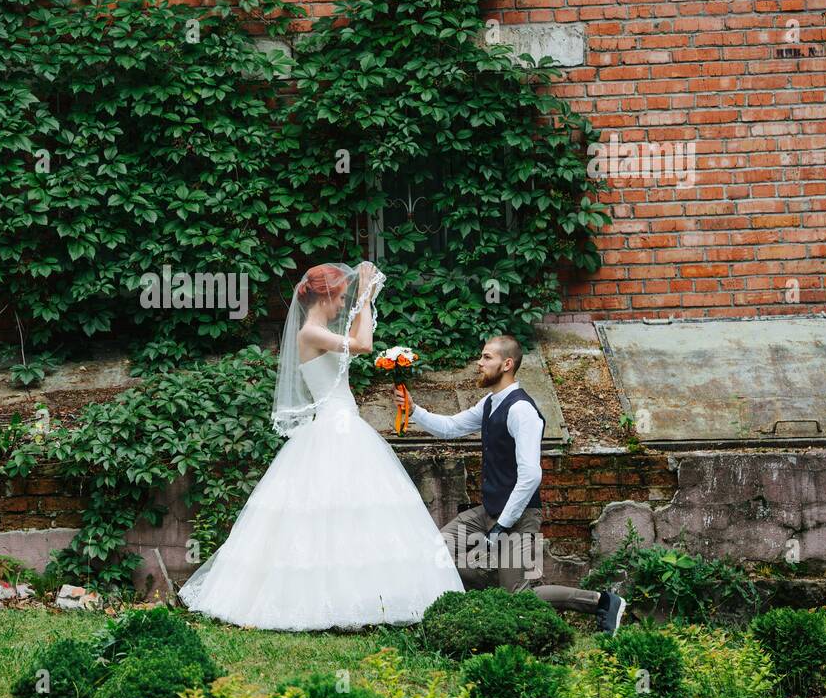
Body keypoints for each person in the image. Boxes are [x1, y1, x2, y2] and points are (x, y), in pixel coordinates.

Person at [177, 261, 464, 631]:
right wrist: (365, 296)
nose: (342, 304)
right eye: (340, 298)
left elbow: (357, 342)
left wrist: (363, 300)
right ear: (326, 295)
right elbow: (363, 344)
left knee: (356, 514)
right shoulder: (310, 332)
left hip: (345, 425)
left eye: (347, 298)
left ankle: (366, 596)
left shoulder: (322, 331)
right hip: (334, 427)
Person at [396, 336, 627, 634]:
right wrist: (414, 410)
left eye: (486, 357)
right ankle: (495, 581)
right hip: (486, 512)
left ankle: (602, 602)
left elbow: (531, 476)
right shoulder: (491, 403)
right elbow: (452, 427)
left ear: (507, 364)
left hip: (518, 517)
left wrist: (502, 526)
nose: (479, 363)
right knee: (435, 552)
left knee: (517, 595)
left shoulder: (522, 411)